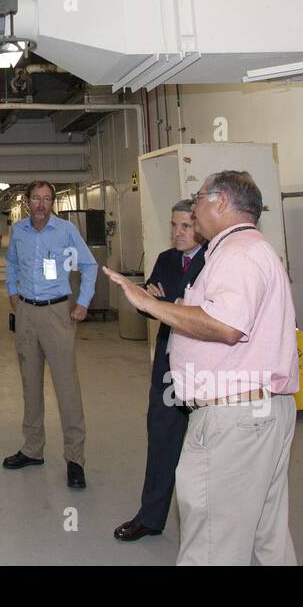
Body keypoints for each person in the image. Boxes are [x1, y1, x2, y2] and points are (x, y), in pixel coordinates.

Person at [104, 170, 300, 565]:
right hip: (257, 411)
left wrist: (151, 305)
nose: (193, 209)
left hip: (234, 417)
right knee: (264, 536)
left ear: (221, 202)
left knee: (212, 541)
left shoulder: (237, 254)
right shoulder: (250, 249)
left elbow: (226, 326)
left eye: (198, 199)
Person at [114, 199, 205, 543]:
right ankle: (150, 517)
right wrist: (152, 302)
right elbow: (151, 304)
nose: (178, 232)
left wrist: (167, 303)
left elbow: (202, 312)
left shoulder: (217, 259)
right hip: (168, 368)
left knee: (206, 450)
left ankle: (205, 525)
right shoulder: (166, 260)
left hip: (207, 370)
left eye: (186, 226)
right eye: (174, 225)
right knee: (162, 441)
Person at [2, 180, 97, 489]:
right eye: (35, 198)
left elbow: (89, 265)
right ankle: (32, 448)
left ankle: (75, 458)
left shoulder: (65, 231)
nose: (41, 204)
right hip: (27, 313)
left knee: (66, 387)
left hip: (58, 313)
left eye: (46, 199)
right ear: (27, 201)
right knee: (30, 384)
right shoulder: (18, 231)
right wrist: (12, 291)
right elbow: (11, 263)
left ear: (52, 202)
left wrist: (82, 301)